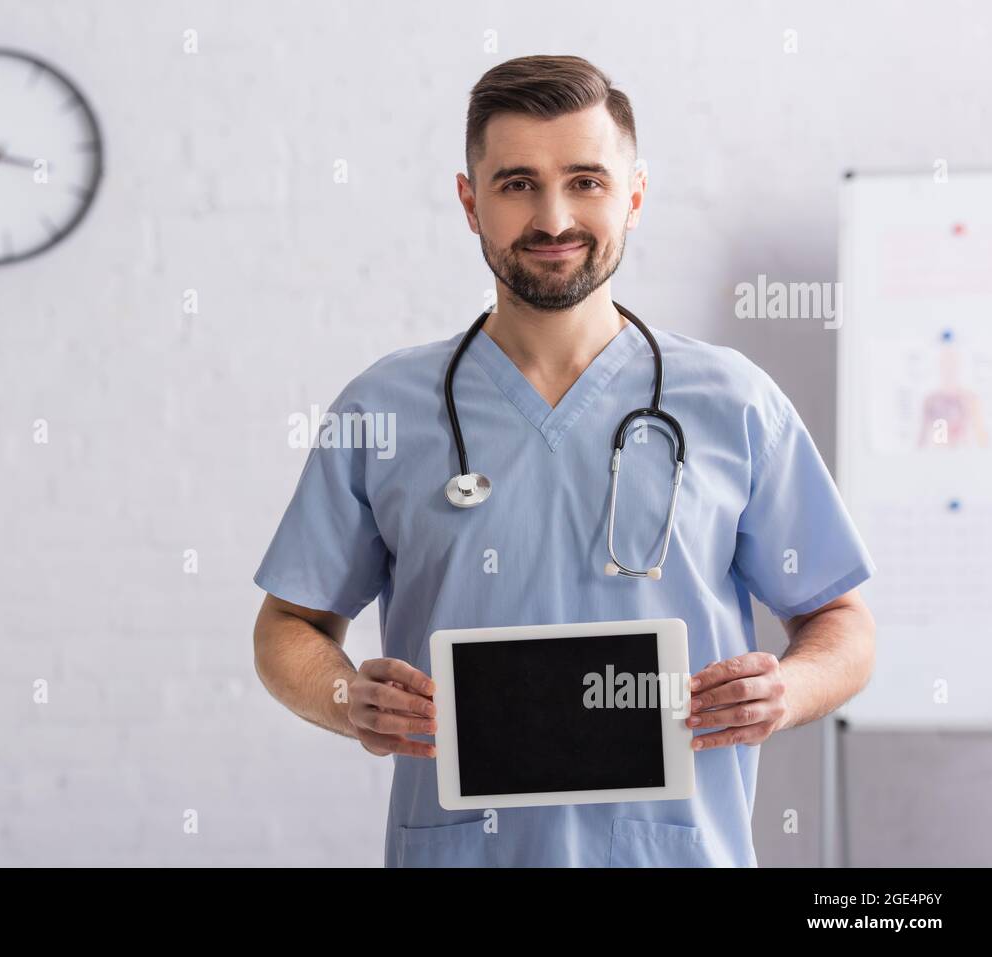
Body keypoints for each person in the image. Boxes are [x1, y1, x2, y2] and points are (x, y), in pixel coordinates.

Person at [251, 54, 876, 867]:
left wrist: (786, 691)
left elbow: (844, 621)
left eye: (586, 181)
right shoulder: (383, 410)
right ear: (469, 201)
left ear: (635, 194)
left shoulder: (735, 403)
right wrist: (347, 698)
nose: (553, 218)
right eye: (516, 184)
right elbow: (286, 627)